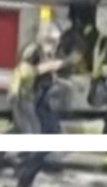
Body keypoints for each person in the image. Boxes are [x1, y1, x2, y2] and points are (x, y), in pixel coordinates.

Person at [8, 26, 65, 187]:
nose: (53, 45)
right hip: (26, 97)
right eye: (50, 41)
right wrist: (45, 68)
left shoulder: (45, 52)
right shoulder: (33, 51)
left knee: (37, 135)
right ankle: (23, 170)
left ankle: (23, 169)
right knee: (34, 135)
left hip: (37, 98)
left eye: (55, 42)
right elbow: (23, 71)